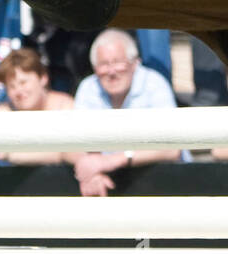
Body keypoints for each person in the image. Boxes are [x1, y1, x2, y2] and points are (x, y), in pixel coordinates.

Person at [71, 29, 181, 197]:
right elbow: (79, 140)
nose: (111, 71)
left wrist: (112, 161)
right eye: (104, 64)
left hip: (165, 181)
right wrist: (93, 172)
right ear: (94, 68)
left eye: (117, 62)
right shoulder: (88, 88)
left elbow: (172, 149)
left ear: (135, 63)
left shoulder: (155, 84)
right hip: (110, 184)